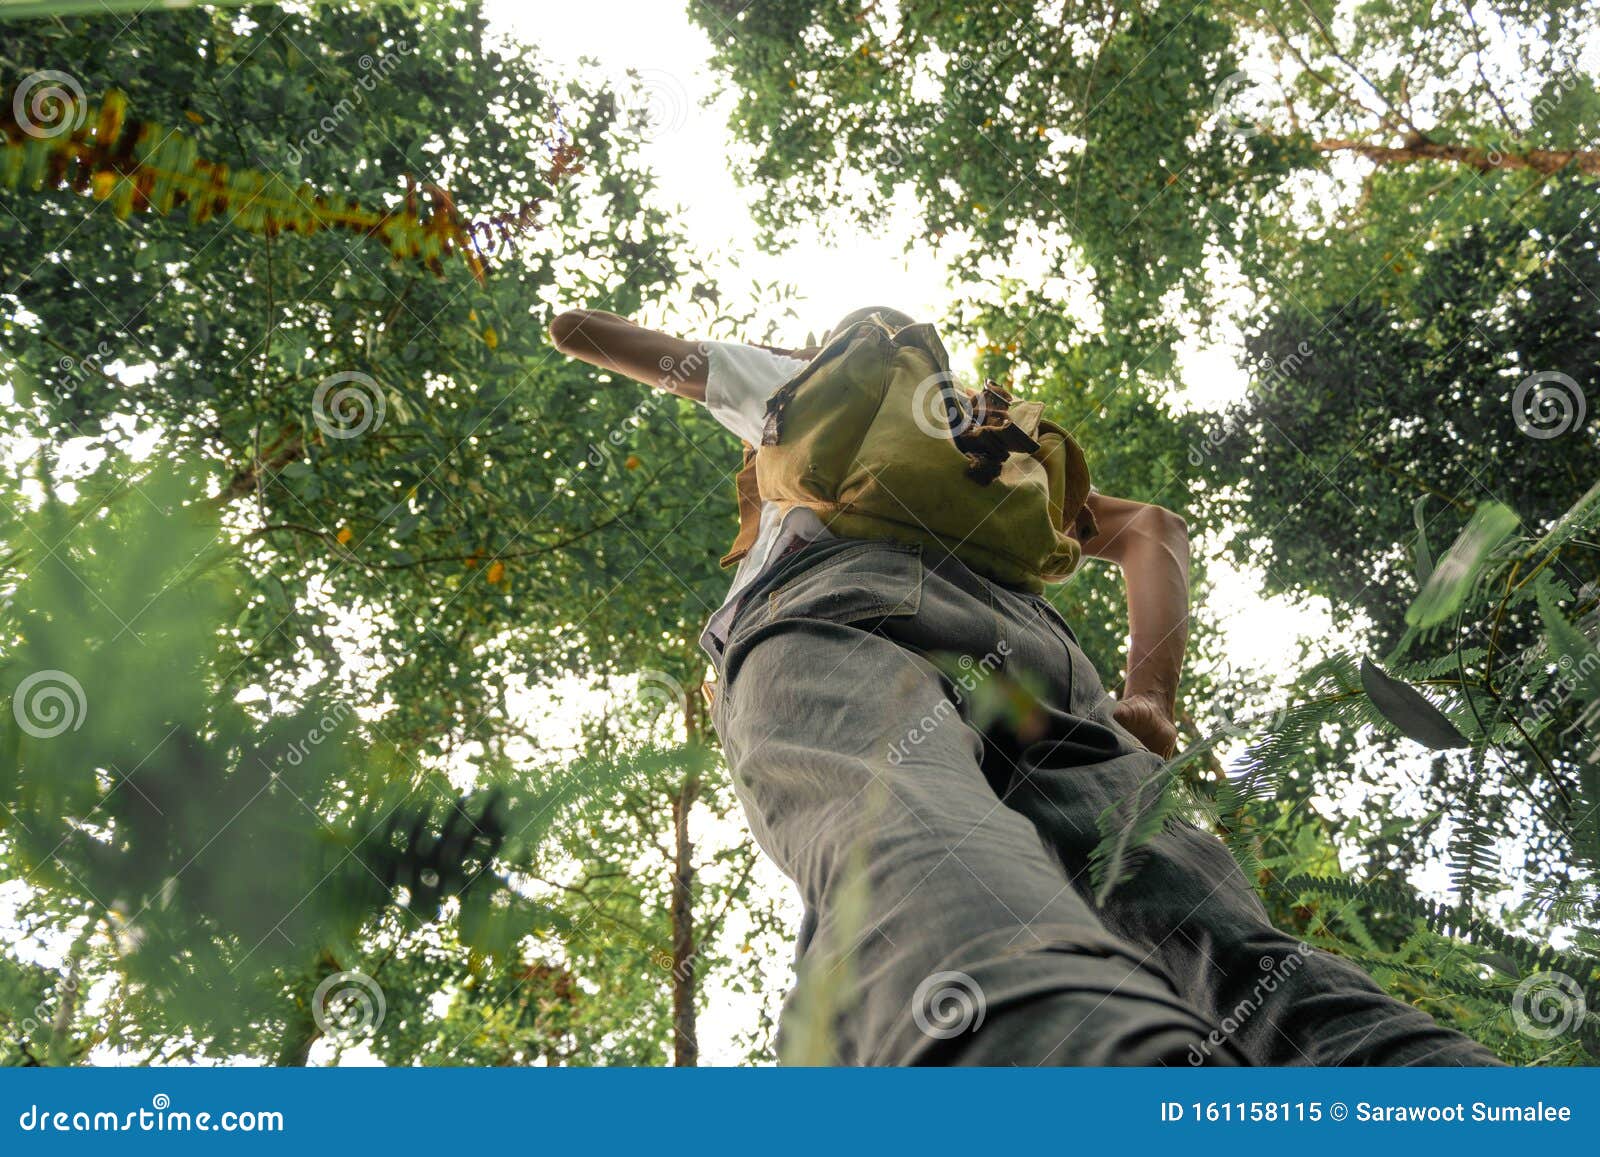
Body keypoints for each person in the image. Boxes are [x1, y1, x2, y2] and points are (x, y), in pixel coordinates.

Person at [549, 304, 1504, 1067]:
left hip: (838, 605)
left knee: (903, 835)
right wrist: (1150, 700)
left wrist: (764, 371)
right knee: (1219, 943)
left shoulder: (803, 391)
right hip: (1039, 664)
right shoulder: (1007, 448)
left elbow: (579, 332)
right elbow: (1154, 531)